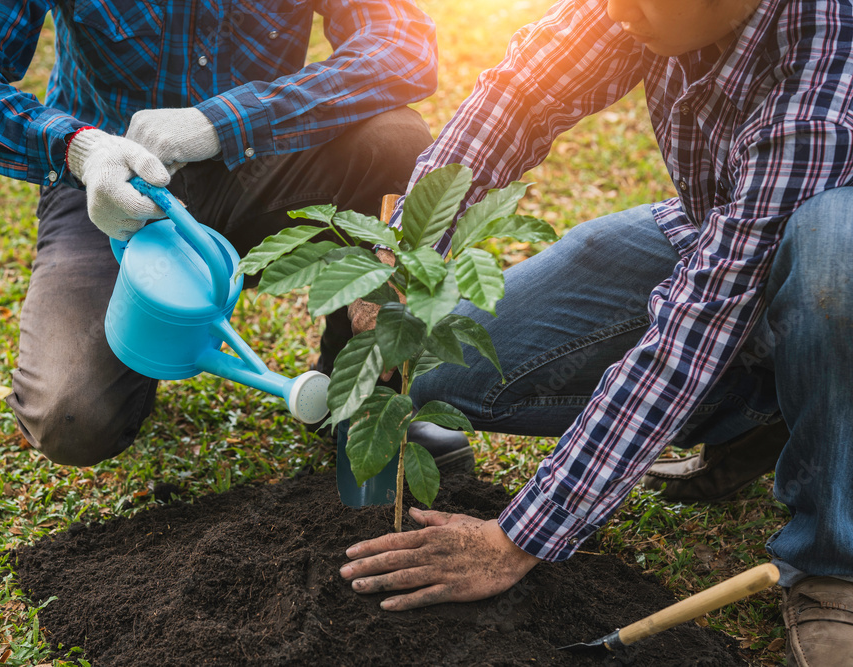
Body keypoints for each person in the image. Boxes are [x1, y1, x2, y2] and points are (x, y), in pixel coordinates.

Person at [340, 0, 853, 664]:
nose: (614, 8)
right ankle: (769, 409)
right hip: (719, 233)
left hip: (818, 267)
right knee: (443, 364)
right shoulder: (643, 7)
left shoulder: (823, 76)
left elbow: (700, 323)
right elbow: (519, 96)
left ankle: (832, 557)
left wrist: (518, 537)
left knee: (831, 259)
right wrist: (407, 247)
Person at [0, 0, 473, 470]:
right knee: (70, 419)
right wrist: (79, 147)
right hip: (112, 190)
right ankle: (142, 338)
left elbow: (403, 48)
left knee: (394, 138)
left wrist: (222, 122)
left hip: (261, 166)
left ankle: (359, 394)